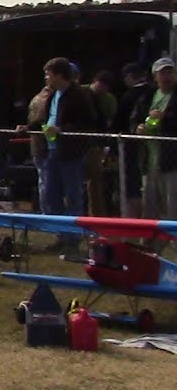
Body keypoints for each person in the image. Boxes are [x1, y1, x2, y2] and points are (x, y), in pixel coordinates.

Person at [18, 57, 97, 249]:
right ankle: (60, 236)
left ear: (59, 75)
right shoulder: (54, 95)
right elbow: (46, 119)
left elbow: (89, 123)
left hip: (71, 153)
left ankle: (74, 238)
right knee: (50, 195)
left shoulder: (79, 96)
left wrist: (63, 129)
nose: (46, 78)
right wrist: (28, 127)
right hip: (52, 152)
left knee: (72, 196)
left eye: (49, 74)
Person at [134, 57, 177, 219]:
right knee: (150, 208)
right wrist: (137, 128)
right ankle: (150, 242)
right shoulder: (147, 96)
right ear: (155, 76)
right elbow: (135, 118)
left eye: (170, 72)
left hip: (172, 161)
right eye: (162, 73)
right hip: (149, 160)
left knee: (172, 205)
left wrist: (164, 118)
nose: (166, 77)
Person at [115, 62, 150, 217]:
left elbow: (119, 123)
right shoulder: (154, 92)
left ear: (129, 77)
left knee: (132, 185)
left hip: (130, 147)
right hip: (152, 147)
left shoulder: (128, 97)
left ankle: (133, 218)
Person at [85, 71, 118, 216]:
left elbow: (109, 121)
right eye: (101, 85)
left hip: (97, 144)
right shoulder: (82, 92)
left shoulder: (109, 99)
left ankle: (97, 214)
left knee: (95, 181)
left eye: (106, 86)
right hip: (79, 142)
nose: (102, 89)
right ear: (94, 81)